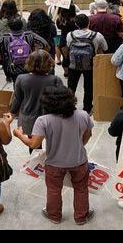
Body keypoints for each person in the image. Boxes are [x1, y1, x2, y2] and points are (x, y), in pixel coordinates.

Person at [14, 86, 96, 226]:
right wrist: (78, 146)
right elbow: (88, 135)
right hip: (79, 161)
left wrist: (19, 135)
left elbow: (34, 144)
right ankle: (81, 217)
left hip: (54, 163)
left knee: (53, 190)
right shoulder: (83, 115)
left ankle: (54, 216)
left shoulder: (43, 120)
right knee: (81, 189)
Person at [10, 50, 64, 141]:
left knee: (33, 144)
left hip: (28, 118)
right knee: (51, 142)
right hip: (49, 118)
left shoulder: (21, 78)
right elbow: (62, 100)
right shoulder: (55, 80)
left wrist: (12, 113)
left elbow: (17, 100)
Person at [67, 14, 108, 113]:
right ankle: (87, 108)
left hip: (73, 65)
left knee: (71, 87)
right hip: (90, 66)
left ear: (76, 24)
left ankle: (69, 106)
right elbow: (105, 48)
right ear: (89, 23)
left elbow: (68, 46)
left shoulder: (70, 35)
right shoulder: (97, 35)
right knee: (89, 88)